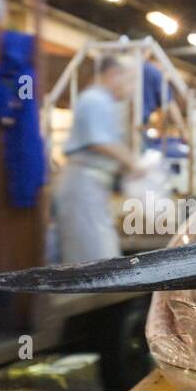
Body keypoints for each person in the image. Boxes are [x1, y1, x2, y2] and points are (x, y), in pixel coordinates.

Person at [53, 58, 144, 263]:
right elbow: (100, 142)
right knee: (95, 259)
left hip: (90, 186)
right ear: (113, 74)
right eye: (130, 81)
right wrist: (133, 162)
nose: (131, 90)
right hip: (82, 185)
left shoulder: (103, 101)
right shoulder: (95, 99)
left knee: (97, 254)